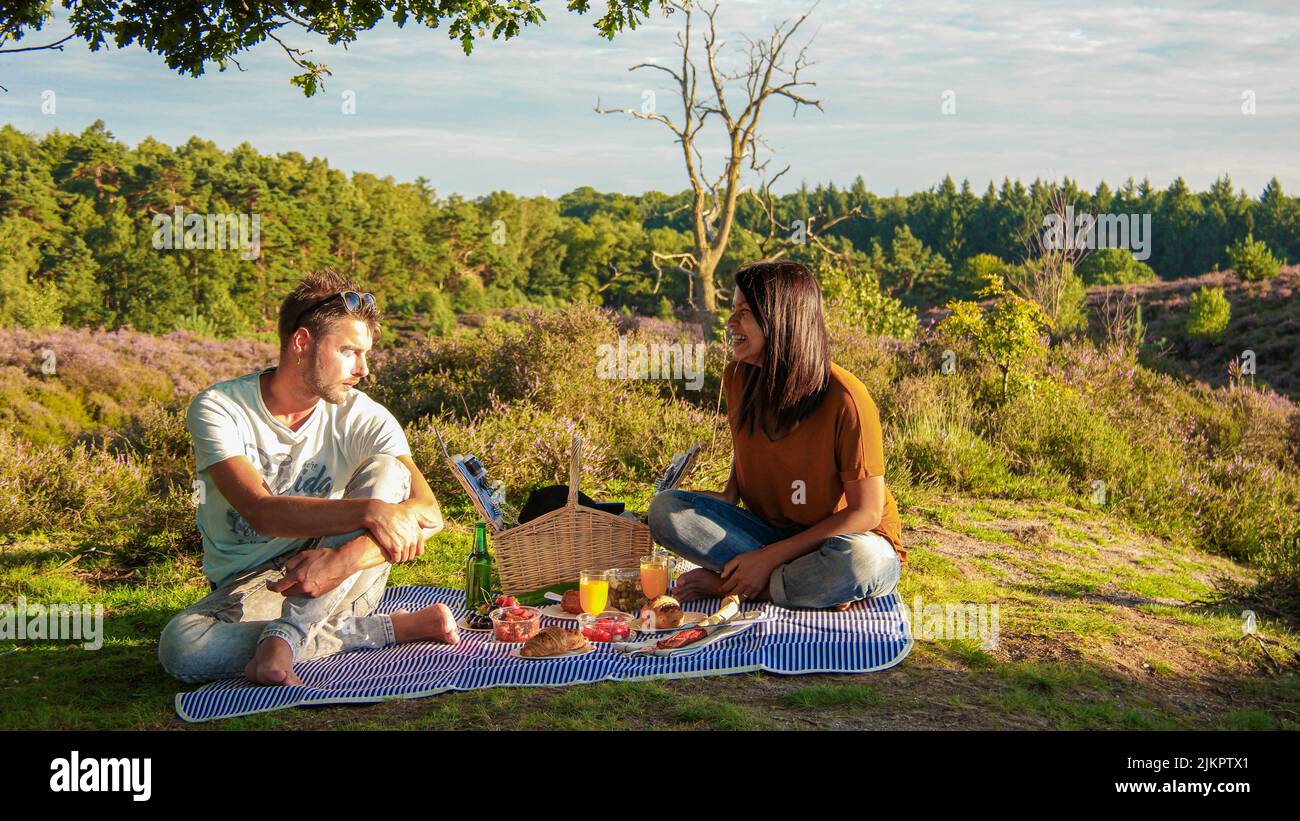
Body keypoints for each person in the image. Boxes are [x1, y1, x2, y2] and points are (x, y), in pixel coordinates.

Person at [158, 270, 459, 687]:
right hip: (258, 584)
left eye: (366, 353)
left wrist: (341, 561)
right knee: (183, 647)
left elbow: (429, 512)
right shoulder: (220, 407)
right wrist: (371, 510)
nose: (363, 369)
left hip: (346, 577)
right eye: (350, 352)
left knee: (389, 469)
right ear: (302, 342)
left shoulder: (363, 415)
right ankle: (397, 628)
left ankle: (284, 641)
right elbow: (261, 513)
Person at [648, 259, 905, 609]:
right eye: (732, 309)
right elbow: (748, 449)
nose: (730, 322)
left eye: (744, 313)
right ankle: (803, 586)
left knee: (860, 562)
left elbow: (866, 513)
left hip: (844, 541)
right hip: (766, 533)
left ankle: (740, 586)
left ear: (781, 321)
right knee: (666, 510)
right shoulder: (738, 377)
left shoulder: (846, 398)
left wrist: (769, 558)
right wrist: (727, 497)